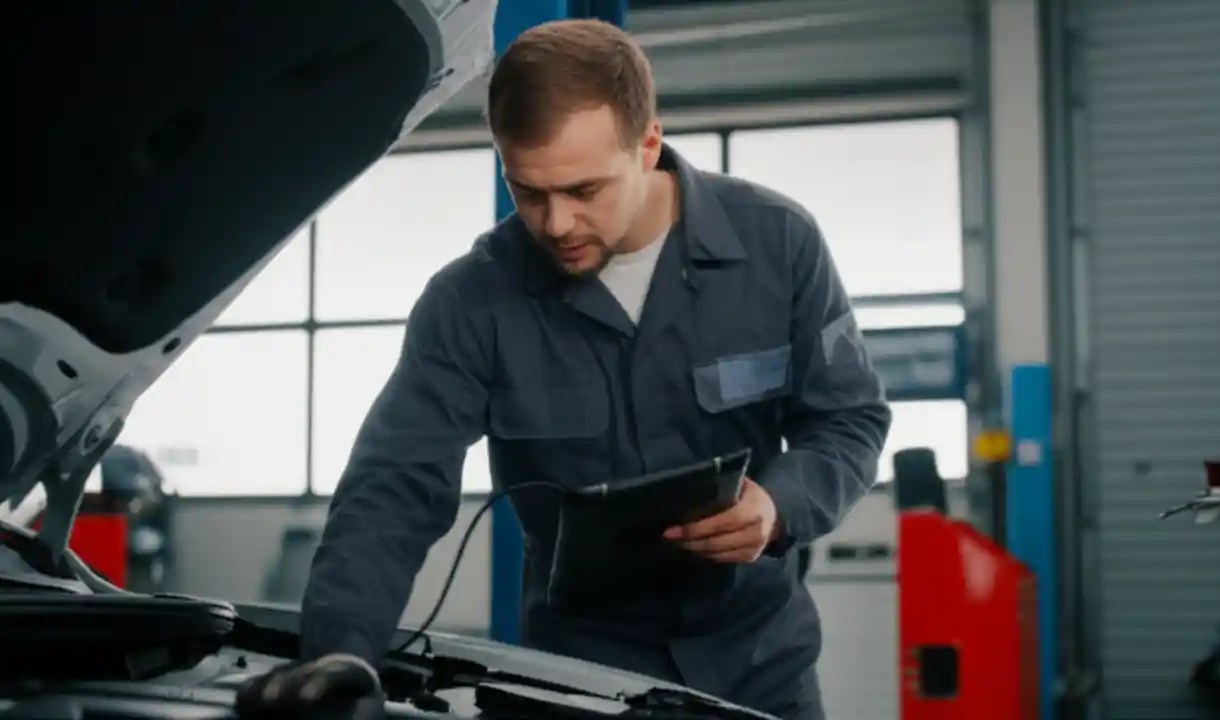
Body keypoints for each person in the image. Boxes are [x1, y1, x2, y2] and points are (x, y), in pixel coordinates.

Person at [299, 18, 891, 719]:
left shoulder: (778, 244)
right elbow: (392, 488)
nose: (555, 224)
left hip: (759, 673)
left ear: (648, 144)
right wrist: (338, 656)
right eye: (528, 192)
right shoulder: (471, 302)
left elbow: (849, 420)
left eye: (585, 191)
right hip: (572, 685)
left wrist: (778, 503)